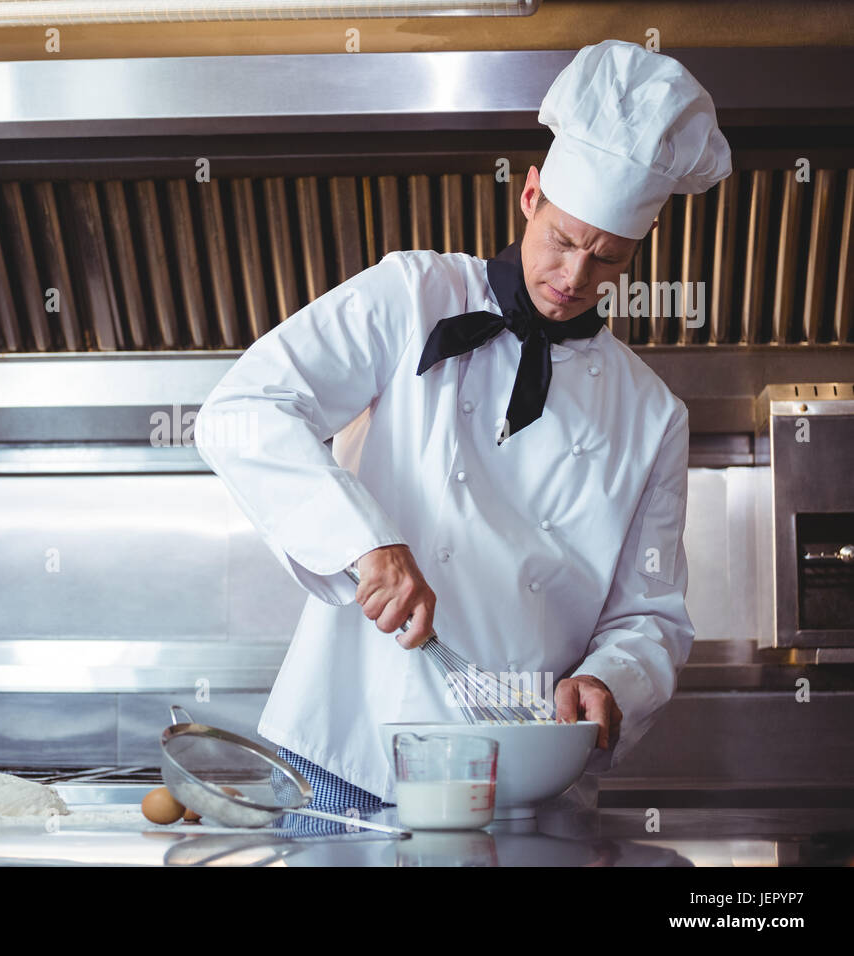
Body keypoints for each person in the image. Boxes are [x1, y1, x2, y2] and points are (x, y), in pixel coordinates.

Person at [193, 39, 732, 813]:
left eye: (608, 260)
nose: (575, 279)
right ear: (531, 196)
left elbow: (650, 612)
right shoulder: (411, 295)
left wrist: (610, 679)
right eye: (565, 241)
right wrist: (362, 540)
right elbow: (245, 410)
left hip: (523, 775)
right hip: (351, 752)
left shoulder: (652, 416)